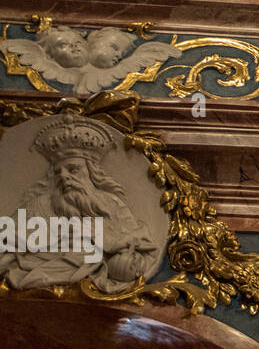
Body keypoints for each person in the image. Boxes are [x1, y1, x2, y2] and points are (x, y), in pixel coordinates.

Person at [0, 115, 160, 293]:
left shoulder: (111, 203)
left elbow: (137, 241)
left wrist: (119, 250)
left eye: (73, 169)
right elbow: (8, 239)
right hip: (43, 268)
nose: (64, 176)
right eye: (58, 172)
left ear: (91, 173)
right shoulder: (39, 204)